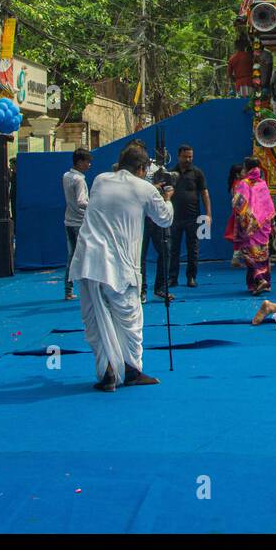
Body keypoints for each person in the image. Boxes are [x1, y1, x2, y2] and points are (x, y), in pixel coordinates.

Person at [69, 142, 174, 390]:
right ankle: (131, 370)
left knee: (95, 319)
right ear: (141, 168)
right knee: (130, 320)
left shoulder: (100, 180)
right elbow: (164, 218)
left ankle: (107, 372)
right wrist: (167, 198)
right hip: (119, 266)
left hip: (88, 261)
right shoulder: (146, 188)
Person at [230, 156, 275, 294]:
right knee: (262, 255)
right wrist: (272, 224)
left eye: (244, 167)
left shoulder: (244, 184)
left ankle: (260, 280)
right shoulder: (262, 184)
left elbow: (239, 204)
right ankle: (260, 285)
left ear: (247, 169)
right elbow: (269, 206)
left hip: (250, 226)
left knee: (248, 253)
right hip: (265, 226)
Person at [168, 145, 209, 289]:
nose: (188, 159)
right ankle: (172, 278)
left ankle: (191, 277)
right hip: (174, 218)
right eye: (185, 156)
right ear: (179, 156)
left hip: (194, 217)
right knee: (174, 249)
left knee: (193, 248)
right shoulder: (171, 173)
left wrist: (208, 214)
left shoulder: (197, 173)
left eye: (190, 156)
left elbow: (204, 193)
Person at [62, 147, 92, 301]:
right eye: (87, 162)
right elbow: (81, 201)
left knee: (72, 256)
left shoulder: (66, 176)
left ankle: (68, 289)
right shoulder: (79, 179)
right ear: (80, 162)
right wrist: (94, 205)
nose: (89, 165)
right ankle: (88, 288)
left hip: (69, 220)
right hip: (79, 221)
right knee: (85, 255)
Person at [225, 164, 245, 267]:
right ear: (237, 174)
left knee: (241, 237)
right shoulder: (238, 184)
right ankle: (237, 258)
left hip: (239, 213)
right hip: (240, 214)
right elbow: (239, 201)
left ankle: (237, 258)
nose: (245, 173)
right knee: (242, 237)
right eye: (243, 171)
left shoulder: (237, 183)